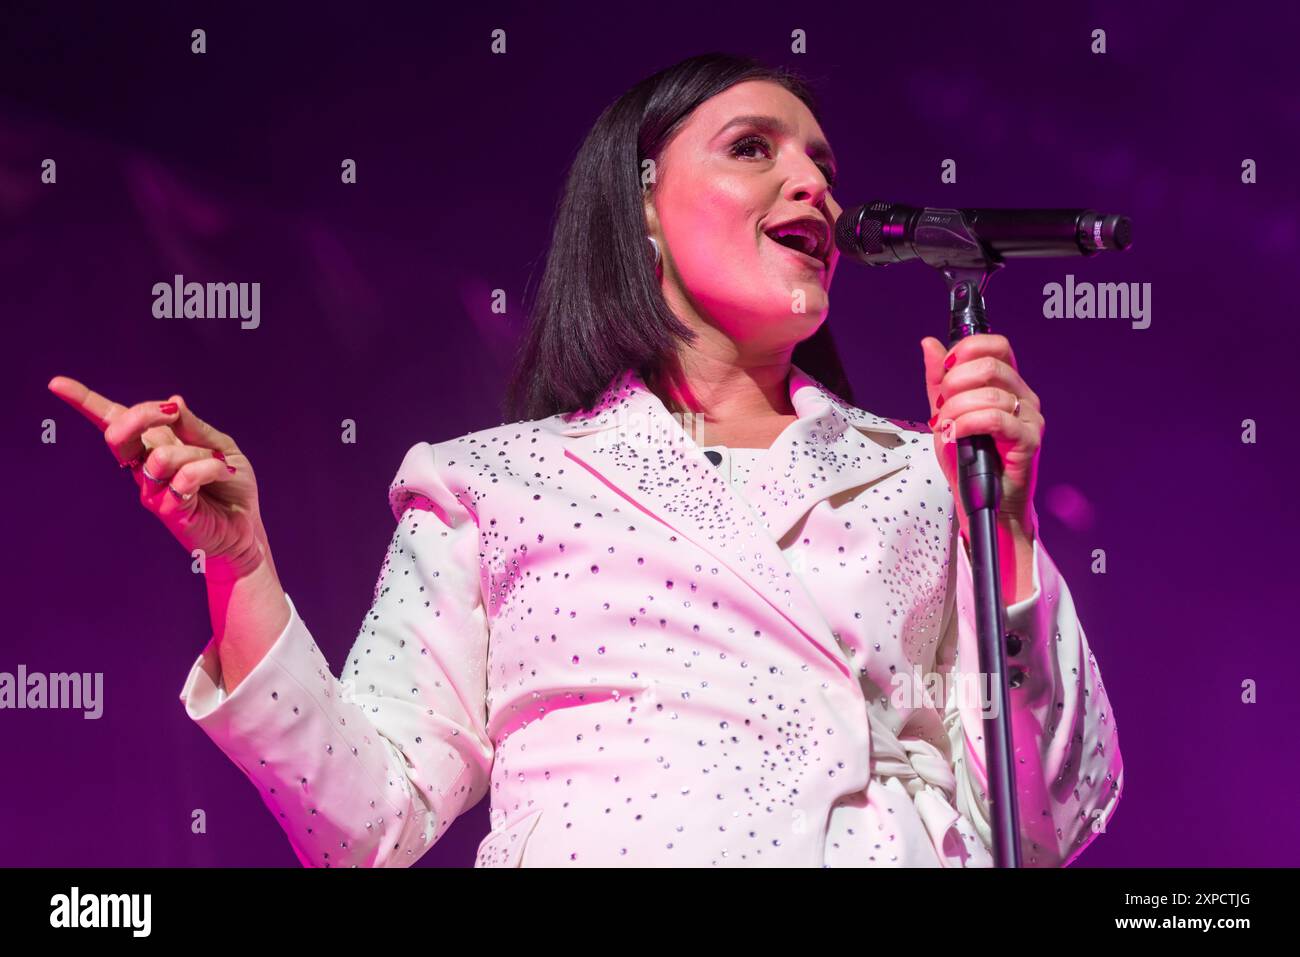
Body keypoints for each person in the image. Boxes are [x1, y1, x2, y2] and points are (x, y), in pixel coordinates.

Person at [47, 52, 1122, 868]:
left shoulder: (923, 477)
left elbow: (1051, 814)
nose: (814, 189)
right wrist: (241, 563)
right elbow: (364, 819)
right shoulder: (497, 484)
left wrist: (1011, 528)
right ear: (641, 202)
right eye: (754, 149)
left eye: (821, 166)